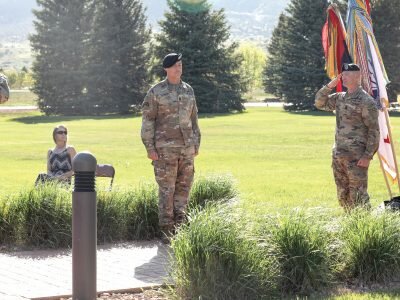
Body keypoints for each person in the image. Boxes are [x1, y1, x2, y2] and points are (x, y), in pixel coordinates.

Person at [141, 53, 201, 242]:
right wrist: (150, 148)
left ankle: (181, 229)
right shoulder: (156, 92)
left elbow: (194, 119)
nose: (179, 68)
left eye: (181, 65)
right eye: (175, 66)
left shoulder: (188, 90)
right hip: (164, 150)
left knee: (184, 189)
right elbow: (148, 121)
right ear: (167, 68)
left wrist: (196, 143)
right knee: (167, 190)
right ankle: (167, 231)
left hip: (186, 149)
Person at [315, 63, 380, 210]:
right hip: (339, 154)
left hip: (356, 157)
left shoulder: (366, 101)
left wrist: (367, 156)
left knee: (358, 194)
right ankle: (349, 224)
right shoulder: (339, 98)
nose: (343, 77)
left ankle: (365, 227)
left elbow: (374, 130)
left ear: (357, 77)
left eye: (347, 75)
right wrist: (329, 86)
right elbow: (319, 103)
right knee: (342, 192)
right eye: (342, 74)